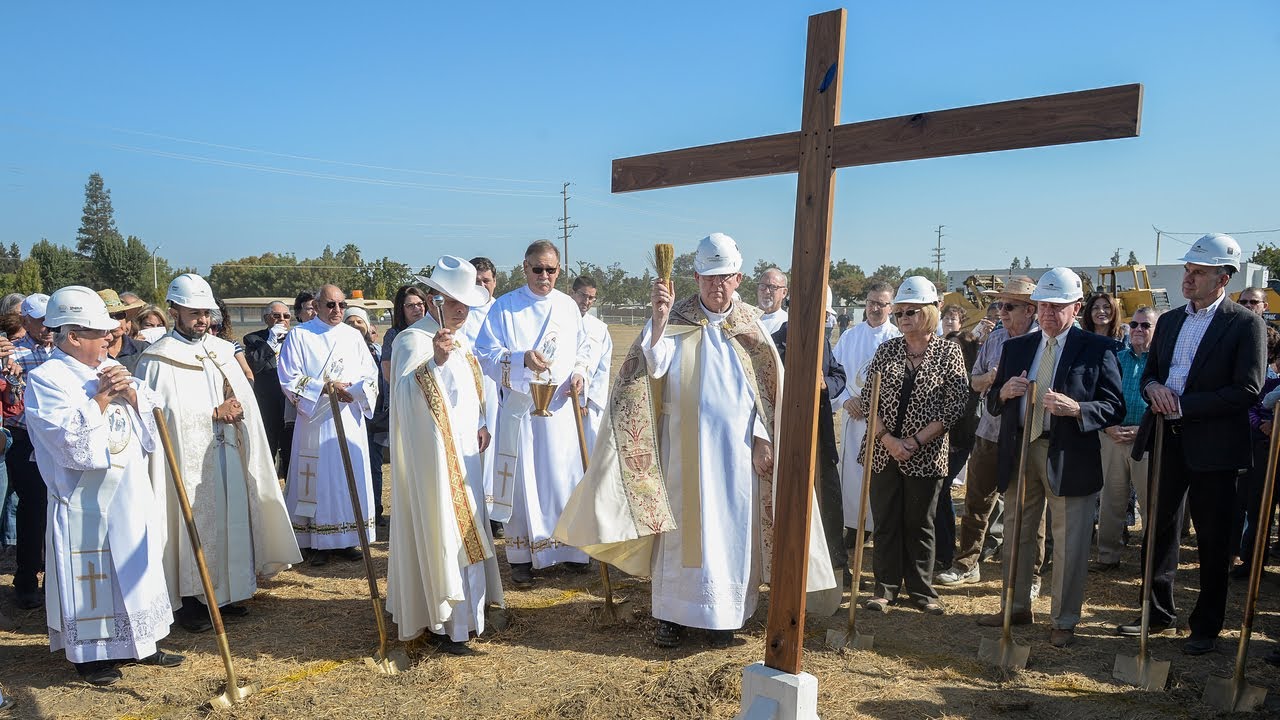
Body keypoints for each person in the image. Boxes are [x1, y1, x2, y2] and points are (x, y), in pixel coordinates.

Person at [554, 232, 835, 649]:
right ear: (695, 277)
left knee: (731, 532)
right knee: (679, 534)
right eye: (707, 277)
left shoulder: (751, 329)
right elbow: (652, 365)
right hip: (681, 449)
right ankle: (671, 617)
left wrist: (763, 439)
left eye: (723, 277)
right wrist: (660, 320)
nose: (715, 285)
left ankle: (724, 617)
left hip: (737, 455)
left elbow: (770, 394)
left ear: (738, 278)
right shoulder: (675, 318)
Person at [25, 286, 183, 686]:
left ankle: (142, 642)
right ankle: (93, 656)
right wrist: (100, 399)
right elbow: (64, 441)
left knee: (136, 565)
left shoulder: (110, 367)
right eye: (100, 334)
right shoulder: (47, 379)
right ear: (73, 336)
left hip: (129, 491)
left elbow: (151, 418)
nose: (110, 339)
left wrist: (130, 392)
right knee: (94, 573)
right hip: (84, 500)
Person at [1116, 234, 1266, 655]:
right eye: (1187, 269)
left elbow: (1248, 389)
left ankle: (1206, 625)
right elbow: (1151, 375)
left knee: (1212, 538)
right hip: (1166, 439)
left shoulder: (1244, 323)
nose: (1188, 277)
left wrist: (1184, 404)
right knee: (1158, 530)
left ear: (1224, 277)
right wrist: (1153, 390)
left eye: (1197, 271)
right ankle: (1156, 611)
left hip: (1214, 446)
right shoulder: (1171, 321)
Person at [136, 273, 300, 633]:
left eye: (206, 312)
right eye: (194, 312)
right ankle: (193, 600)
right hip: (187, 463)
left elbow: (246, 404)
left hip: (228, 452)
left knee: (232, 521)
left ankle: (227, 591)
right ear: (174, 310)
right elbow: (157, 417)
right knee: (194, 523)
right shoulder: (158, 360)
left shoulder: (221, 352)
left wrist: (239, 415)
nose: (202, 319)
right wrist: (212, 413)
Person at [983, 267, 1124, 648]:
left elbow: (1114, 407)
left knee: (1070, 542)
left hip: (1069, 455)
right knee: (1016, 533)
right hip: (1022, 450)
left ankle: (1063, 619)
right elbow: (991, 402)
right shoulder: (1016, 347)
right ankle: (1015, 605)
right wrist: (1004, 393)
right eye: (1043, 305)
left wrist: (1077, 409)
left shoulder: (1097, 349)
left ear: (1076, 307)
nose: (1048, 313)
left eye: (1057, 306)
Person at [386, 255, 504, 656]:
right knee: (443, 532)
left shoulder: (462, 337)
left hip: (466, 455)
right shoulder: (412, 341)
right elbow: (402, 399)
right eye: (453, 302)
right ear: (434, 299)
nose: (461, 310)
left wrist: (482, 421)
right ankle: (444, 623)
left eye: (466, 303)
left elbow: (470, 388)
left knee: (468, 531)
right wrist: (433, 362)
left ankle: (470, 618)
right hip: (434, 462)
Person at [473, 240, 593, 586]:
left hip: (559, 409)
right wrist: (520, 358)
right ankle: (521, 557)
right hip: (520, 409)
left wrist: (580, 374)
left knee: (562, 477)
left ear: (559, 270)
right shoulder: (506, 308)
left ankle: (570, 550)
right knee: (522, 481)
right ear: (525, 268)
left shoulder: (568, 307)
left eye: (551, 270)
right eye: (537, 269)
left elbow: (583, 349)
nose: (544, 276)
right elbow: (485, 353)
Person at [858, 277, 969, 616]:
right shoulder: (887, 350)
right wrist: (889, 440)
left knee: (920, 523)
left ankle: (921, 590)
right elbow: (868, 400)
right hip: (882, 451)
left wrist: (915, 441)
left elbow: (956, 403)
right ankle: (885, 588)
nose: (903, 318)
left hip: (927, 454)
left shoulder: (948, 351)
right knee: (887, 522)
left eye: (911, 311)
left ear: (929, 313)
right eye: (900, 312)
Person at [939, 279, 1038, 587]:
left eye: (1009, 306)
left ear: (1031, 310)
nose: (1001, 312)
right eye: (998, 305)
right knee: (976, 502)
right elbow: (974, 380)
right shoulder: (995, 340)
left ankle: (1029, 576)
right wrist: (992, 380)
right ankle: (967, 563)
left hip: (1027, 436)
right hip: (989, 433)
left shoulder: (1042, 343)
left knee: (1029, 509)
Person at [278, 284, 380, 566]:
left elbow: (370, 375)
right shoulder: (300, 335)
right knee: (318, 480)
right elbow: (288, 376)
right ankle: (317, 543)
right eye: (330, 305)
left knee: (348, 477)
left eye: (341, 305)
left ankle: (347, 538)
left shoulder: (353, 336)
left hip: (348, 418)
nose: (337, 310)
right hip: (315, 421)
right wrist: (323, 388)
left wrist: (357, 390)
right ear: (317, 306)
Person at [771, 286, 848, 582]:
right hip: (788, 438)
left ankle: (835, 566)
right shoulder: (775, 344)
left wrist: (825, 384)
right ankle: (792, 568)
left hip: (821, 437)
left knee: (828, 502)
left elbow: (839, 375)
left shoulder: (823, 343)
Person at [1093, 305, 1160, 572]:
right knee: (1111, 499)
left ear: (1157, 330)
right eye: (1134, 325)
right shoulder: (1115, 357)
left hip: (1147, 440)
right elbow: (1099, 395)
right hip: (1113, 437)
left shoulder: (1162, 362)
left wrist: (1144, 430)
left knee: (1151, 502)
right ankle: (1107, 556)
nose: (1138, 330)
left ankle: (1153, 560)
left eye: (1146, 325)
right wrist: (1108, 426)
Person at [831, 281, 900, 539]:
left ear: (890, 307)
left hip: (882, 422)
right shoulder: (850, 336)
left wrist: (874, 405)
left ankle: (877, 526)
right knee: (851, 475)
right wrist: (847, 398)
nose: (874, 308)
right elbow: (834, 372)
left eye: (881, 304)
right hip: (853, 417)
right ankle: (853, 526)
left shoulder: (896, 338)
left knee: (878, 475)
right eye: (871, 302)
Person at [7, 293, 53, 609]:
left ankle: (56, 579)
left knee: (55, 510)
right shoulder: (14, 355)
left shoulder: (65, 352)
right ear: (25, 322)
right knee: (33, 509)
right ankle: (26, 582)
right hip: (25, 439)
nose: (48, 327)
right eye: (40, 321)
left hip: (55, 441)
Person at [1236, 327, 1280, 579]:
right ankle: (1252, 561)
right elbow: (1258, 405)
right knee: (1258, 507)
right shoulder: (1267, 383)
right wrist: (1265, 425)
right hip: (1264, 448)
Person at [463, 257, 502, 537]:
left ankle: (500, 510)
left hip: (502, 389)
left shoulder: (503, 309)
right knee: (478, 450)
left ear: (494, 282)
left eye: (486, 280)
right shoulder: (462, 312)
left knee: (503, 450)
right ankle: (479, 512)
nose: (481, 285)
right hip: (473, 390)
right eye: (476, 281)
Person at [345, 305, 389, 526]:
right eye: (350, 322)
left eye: (358, 322)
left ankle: (375, 509)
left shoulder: (378, 351)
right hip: (350, 415)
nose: (354, 325)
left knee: (373, 466)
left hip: (375, 418)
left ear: (367, 326)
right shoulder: (342, 348)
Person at [242, 301, 291, 469]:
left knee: (290, 449)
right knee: (267, 450)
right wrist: (270, 341)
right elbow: (254, 365)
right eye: (276, 316)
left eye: (286, 316)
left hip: (289, 402)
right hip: (266, 403)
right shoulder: (254, 339)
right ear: (266, 318)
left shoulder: (296, 338)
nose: (282, 320)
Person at [571, 276, 613, 452]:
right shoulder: (559, 321)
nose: (586, 301)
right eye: (582, 296)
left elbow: (603, 370)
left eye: (591, 298)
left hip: (588, 405)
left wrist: (587, 400)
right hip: (562, 399)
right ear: (572, 293)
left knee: (587, 451)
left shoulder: (600, 329)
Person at [380, 285, 428, 382]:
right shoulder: (393, 335)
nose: (417, 309)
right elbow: (388, 373)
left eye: (420, 304)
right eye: (410, 305)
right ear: (401, 309)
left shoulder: (432, 331)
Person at [96, 289, 148, 374]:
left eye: (120, 315)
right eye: (109, 317)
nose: (116, 321)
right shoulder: (90, 354)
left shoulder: (143, 349)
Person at [211, 298, 254, 383]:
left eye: (215, 327)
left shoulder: (231, 345)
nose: (211, 332)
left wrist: (248, 388)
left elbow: (247, 371)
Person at [756, 267, 788, 335]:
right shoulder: (747, 318)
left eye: (773, 287)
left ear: (784, 293)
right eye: (762, 286)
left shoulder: (787, 323)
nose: (767, 291)